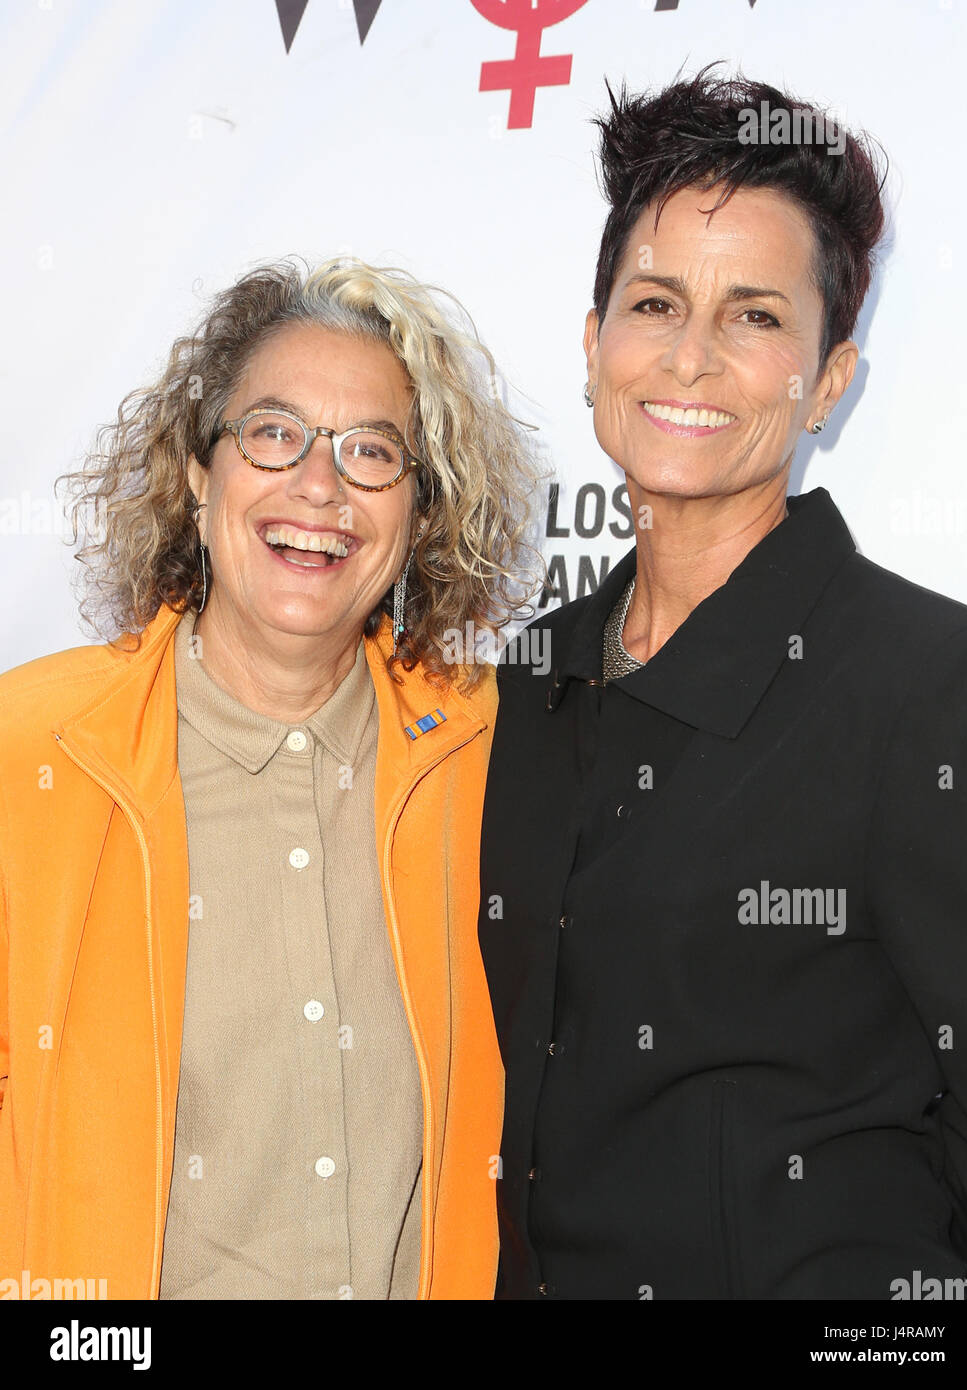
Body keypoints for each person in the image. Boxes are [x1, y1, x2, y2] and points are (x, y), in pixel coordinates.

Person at [478, 67, 967, 1300]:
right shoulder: (533, 679)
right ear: (593, 344)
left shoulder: (934, 687)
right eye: (653, 302)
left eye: (755, 316)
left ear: (826, 381)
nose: (691, 357)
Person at [0, 256, 538, 1300]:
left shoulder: (494, 754)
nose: (320, 486)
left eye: (372, 451)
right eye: (275, 434)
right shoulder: (29, 751)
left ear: (419, 516)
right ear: (200, 476)